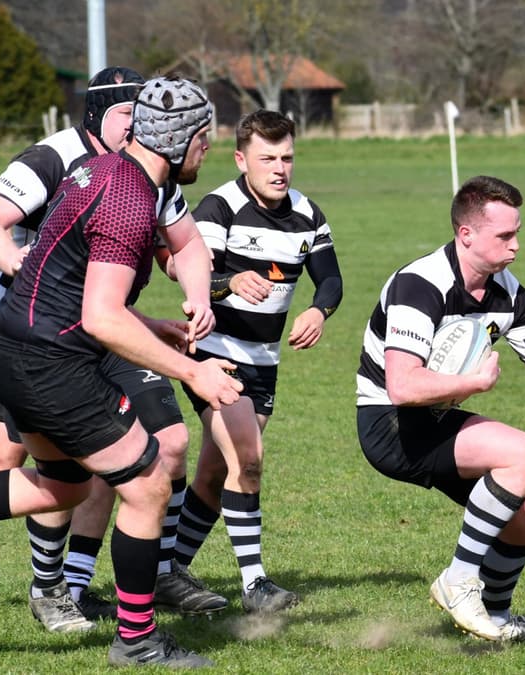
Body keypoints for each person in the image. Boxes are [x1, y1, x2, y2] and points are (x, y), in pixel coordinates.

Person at [0, 76, 236, 668]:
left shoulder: (105, 173)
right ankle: (137, 639)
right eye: (204, 138)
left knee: (63, 484)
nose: (206, 149)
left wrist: (154, 322)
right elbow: (100, 318)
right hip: (49, 361)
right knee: (146, 485)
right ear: (180, 139)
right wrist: (193, 374)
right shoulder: (128, 199)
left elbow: (64, 279)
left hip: (8, 342)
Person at [356, 175, 525, 642]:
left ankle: (497, 621)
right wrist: (473, 383)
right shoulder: (420, 284)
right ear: (467, 235)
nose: (516, 245)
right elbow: (401, 386)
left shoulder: (509, 294)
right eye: (504, 235)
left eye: (516, 232)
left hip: (435, 418)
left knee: (523, 515)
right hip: (391, 423)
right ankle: (459, 580)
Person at [155, 109, 343, 615]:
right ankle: (255, 584)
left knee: (218, 472)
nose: (280, 168)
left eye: (287, 158)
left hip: (264, 361)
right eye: (268, 159)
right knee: (248, 458)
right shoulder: (220, 208)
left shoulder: (308, 213)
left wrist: (318, 310)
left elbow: (331, 279)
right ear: (242, 159)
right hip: (214, 356)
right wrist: (229, 282)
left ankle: (167, 572)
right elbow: (193, 278)